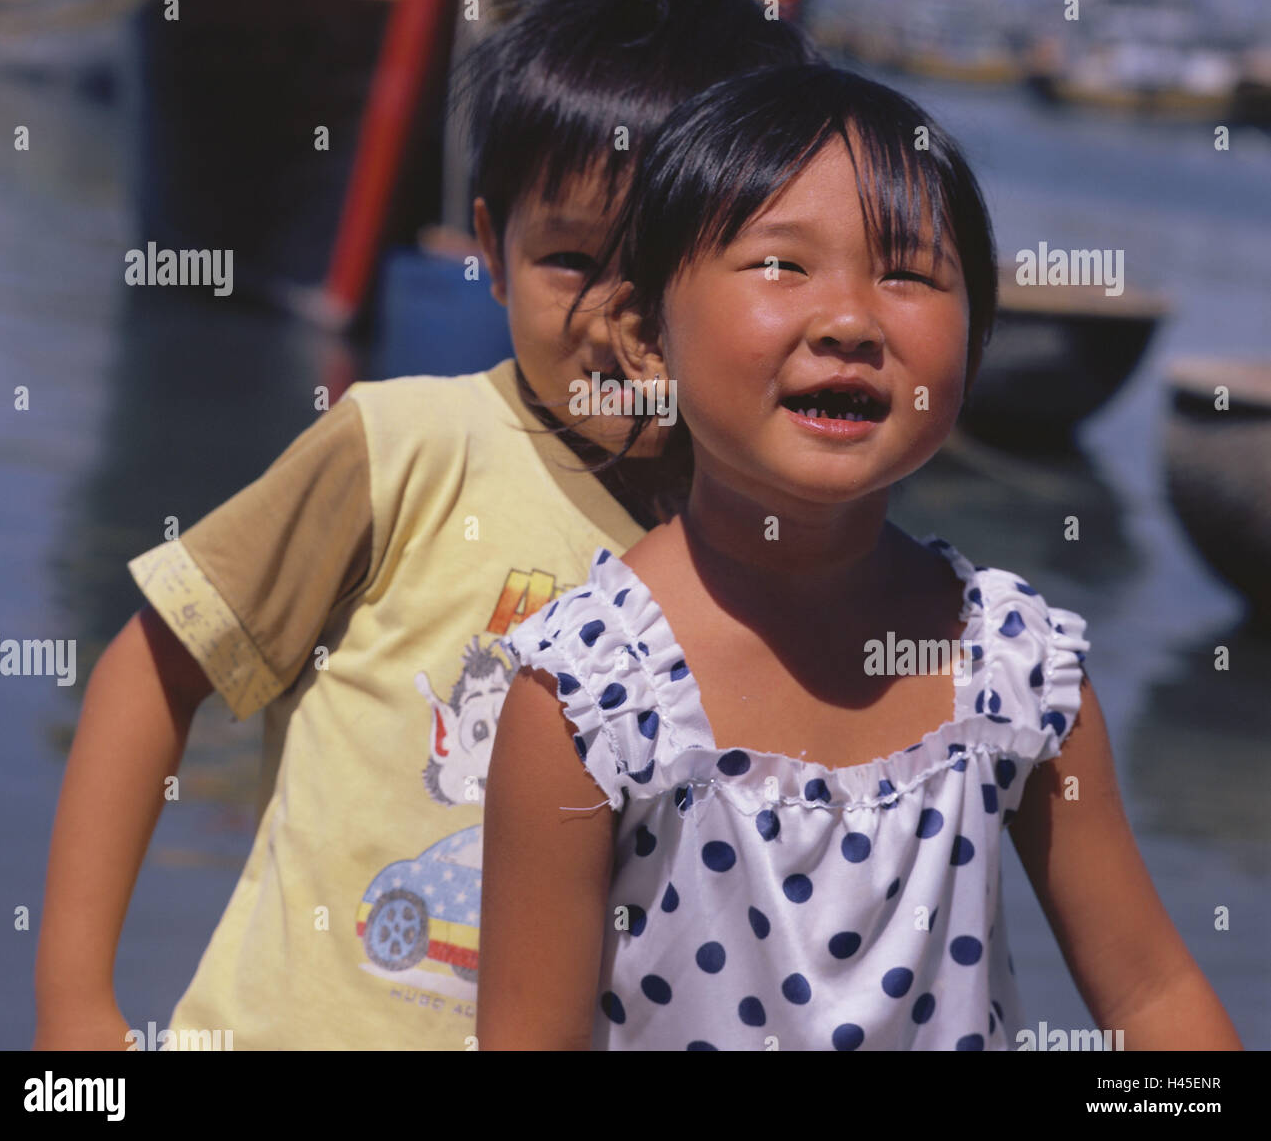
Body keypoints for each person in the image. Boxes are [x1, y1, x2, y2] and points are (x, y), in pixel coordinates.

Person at [31, 0, 817, 1051]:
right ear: (491, 249)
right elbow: (153, 668)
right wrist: (76, 1010)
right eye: (571, 259)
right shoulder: (404, 451)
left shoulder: (770, 547)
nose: (615, 317)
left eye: (667, 263)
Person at [478, 62, 1243, 1051]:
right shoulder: (585, 695)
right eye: (780, 266)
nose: (847, 320)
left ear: (972, 347)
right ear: (645, 336)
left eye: (908, 274)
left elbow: (1151, 1001)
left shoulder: (1013, 667)